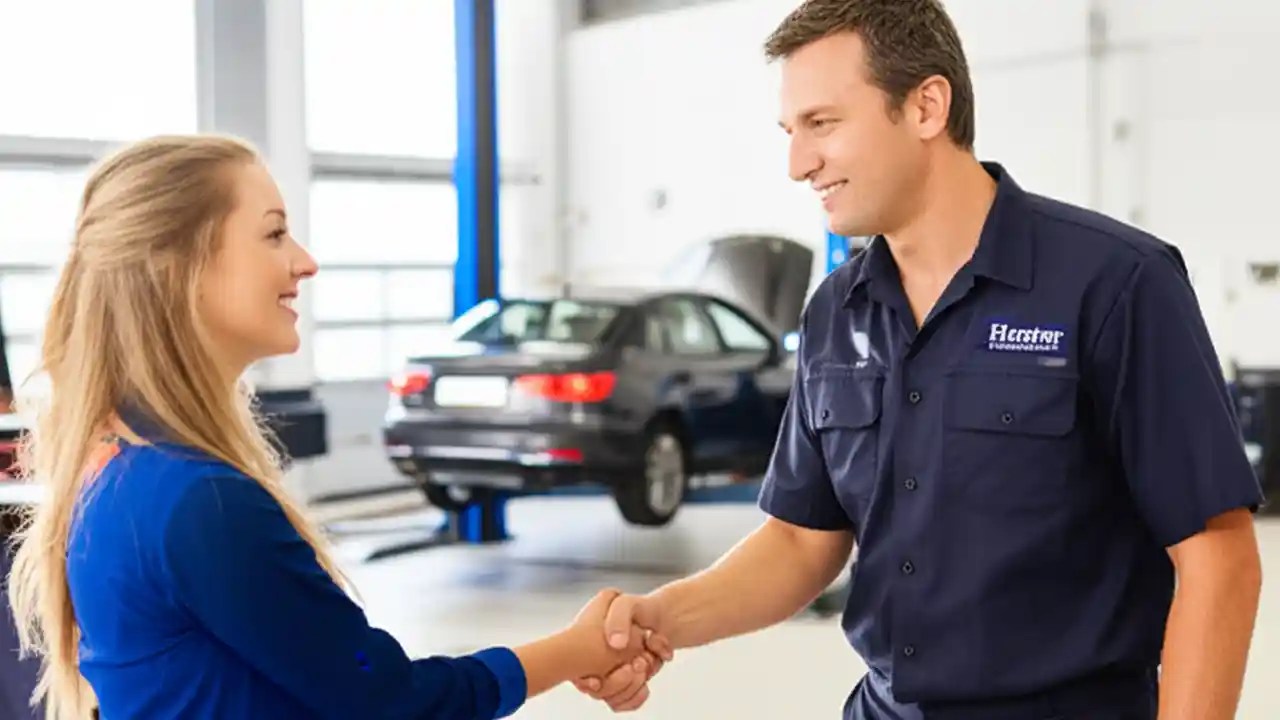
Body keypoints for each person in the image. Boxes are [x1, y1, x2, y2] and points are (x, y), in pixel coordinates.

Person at [574, 1, 1266, 718]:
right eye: (790, 131)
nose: (796, 163)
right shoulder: (835, 312)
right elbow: (799, 540)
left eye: (823, 123)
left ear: (927, 106)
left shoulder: (1117, 285)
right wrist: (658, 619)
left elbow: (1218, 559)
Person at [3, 134, 666, 720]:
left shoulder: (118, 467)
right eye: (272, 234)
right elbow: (391, 703)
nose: (305, 261)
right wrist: (575, 649)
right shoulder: (198, 502)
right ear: (181, 268)